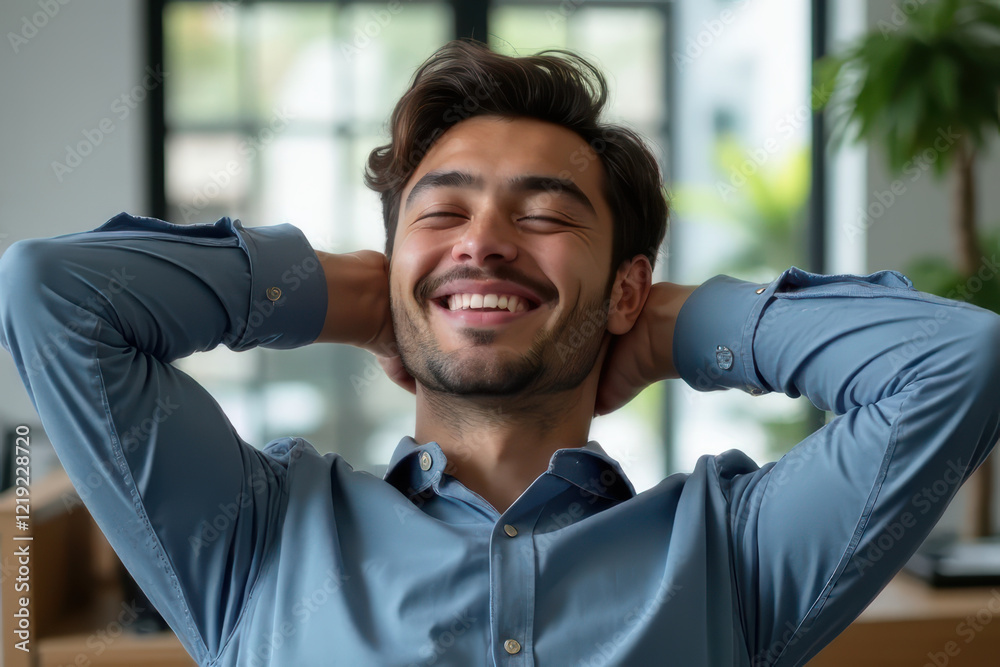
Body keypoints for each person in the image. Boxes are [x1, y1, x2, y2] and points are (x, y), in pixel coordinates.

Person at [1, 39, 998, 667]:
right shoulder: (253, 541)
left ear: (622, 285)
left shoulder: (733, 558)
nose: (482, 238)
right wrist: (357, 291)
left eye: (543, 212)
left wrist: (662, 324)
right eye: (443, 212)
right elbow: (53, 293)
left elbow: (958, 361)